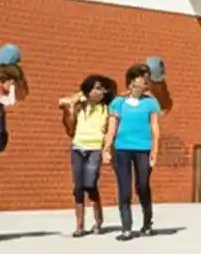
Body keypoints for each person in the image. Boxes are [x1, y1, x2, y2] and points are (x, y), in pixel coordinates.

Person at [103, 64, 162, 241]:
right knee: (124, 187)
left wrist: (155, 152)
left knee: (142, 186)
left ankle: (147, 223)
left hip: (143, 149)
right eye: (142, 77)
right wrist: (106, 148)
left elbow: (155, 129)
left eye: (146, 77)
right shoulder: (118, 102)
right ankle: (126, 228)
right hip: (122, 149)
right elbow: (112, 128)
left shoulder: (151, 103)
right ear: (132, 81)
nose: (145, 80)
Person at [59, 75, 116, 237]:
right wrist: (76, 99)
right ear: (88, 90)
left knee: (90, 184)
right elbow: (62, 103)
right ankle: (80, 225)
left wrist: (106, 149)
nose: (99, 92)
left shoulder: (107, 108)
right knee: (78, 188)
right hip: (78, 148)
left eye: (101, 88)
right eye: (95, 88)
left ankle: (98, 220)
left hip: (94, 149)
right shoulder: (80, 106)